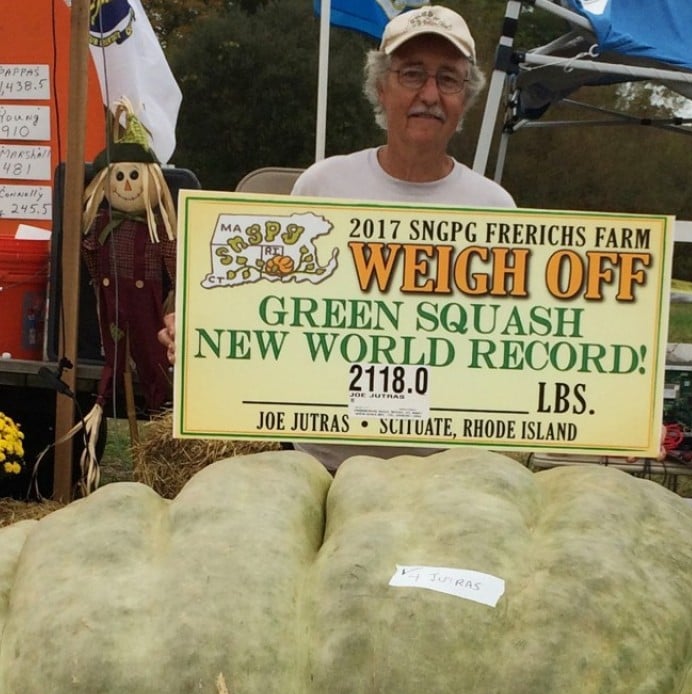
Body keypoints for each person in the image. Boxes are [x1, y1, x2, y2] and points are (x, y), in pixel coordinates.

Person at [159, 5, 516, 471]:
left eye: (448, 79)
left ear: (464, 99)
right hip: (321, 466)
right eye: (412, 74)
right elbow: (260, 309)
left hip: (447, 475)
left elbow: (515, 349)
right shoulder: (322, 186)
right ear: (382, 87)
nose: (430, 93)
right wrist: (200, 336)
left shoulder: (494, 209)